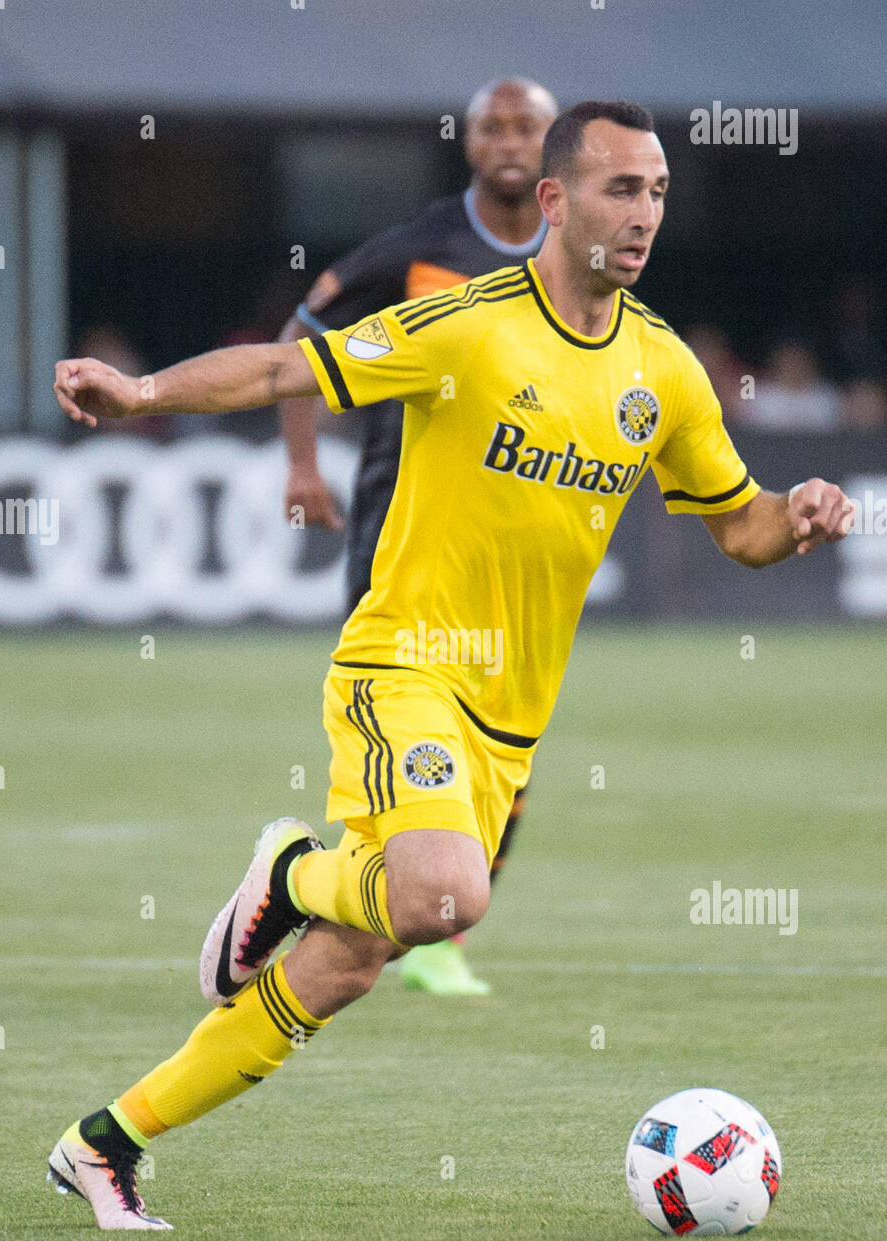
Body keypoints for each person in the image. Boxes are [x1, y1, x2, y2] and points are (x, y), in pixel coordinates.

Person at [50, 100, 854, 1230]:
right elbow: (287, 371)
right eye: (622, 190)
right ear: (558, 200)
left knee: (349, 961)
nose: (644, 217)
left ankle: (105, 1142)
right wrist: (140, 394)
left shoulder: (663, 370)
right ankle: (288, 873)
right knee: (444, 895)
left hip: (506, 723)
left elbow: (741, 527)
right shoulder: (465, 324)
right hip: (402, 668)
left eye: (659, 194)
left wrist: (799, 511)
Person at [280, 76, 557, 995]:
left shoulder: (577, 256)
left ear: (555, 145)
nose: (511, 139)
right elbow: (303, 332)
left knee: (506, 748)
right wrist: (303, 467)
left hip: (510, 551)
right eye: (493, 126)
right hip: (400, 532)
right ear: (468, 142)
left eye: (529, 126)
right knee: (394, 732)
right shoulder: (418, 247)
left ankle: (434, 930)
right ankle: (366, 903)